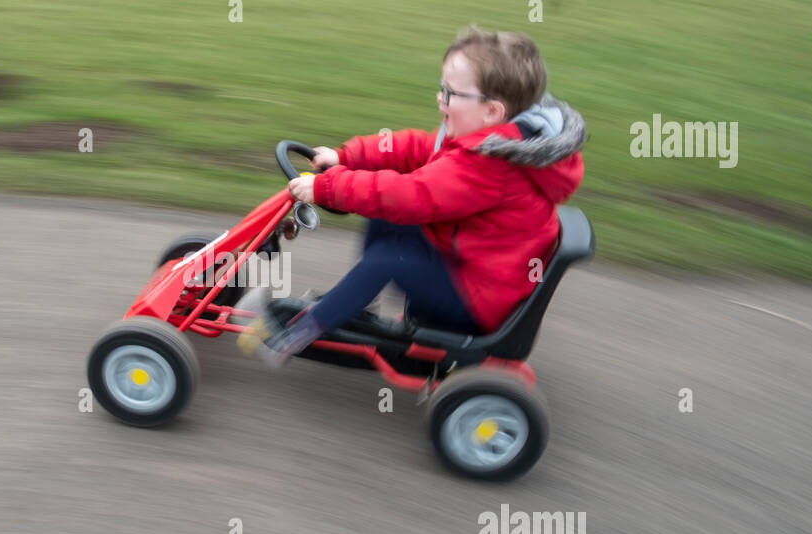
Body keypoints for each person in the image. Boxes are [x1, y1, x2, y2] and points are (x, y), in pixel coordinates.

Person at [238, 25, 586, 368]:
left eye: (451, 93)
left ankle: (293, 336)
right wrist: (348, 156)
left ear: (492, 110)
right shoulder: (493, 137)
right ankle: (351, 305)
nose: (440, 99)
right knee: (385, 217)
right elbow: (418, 148)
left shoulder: (492, 163)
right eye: (441, 88)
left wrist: (327, 187)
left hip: (476, 300)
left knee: (389, 256)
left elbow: (412, 194)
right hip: (471, 263)